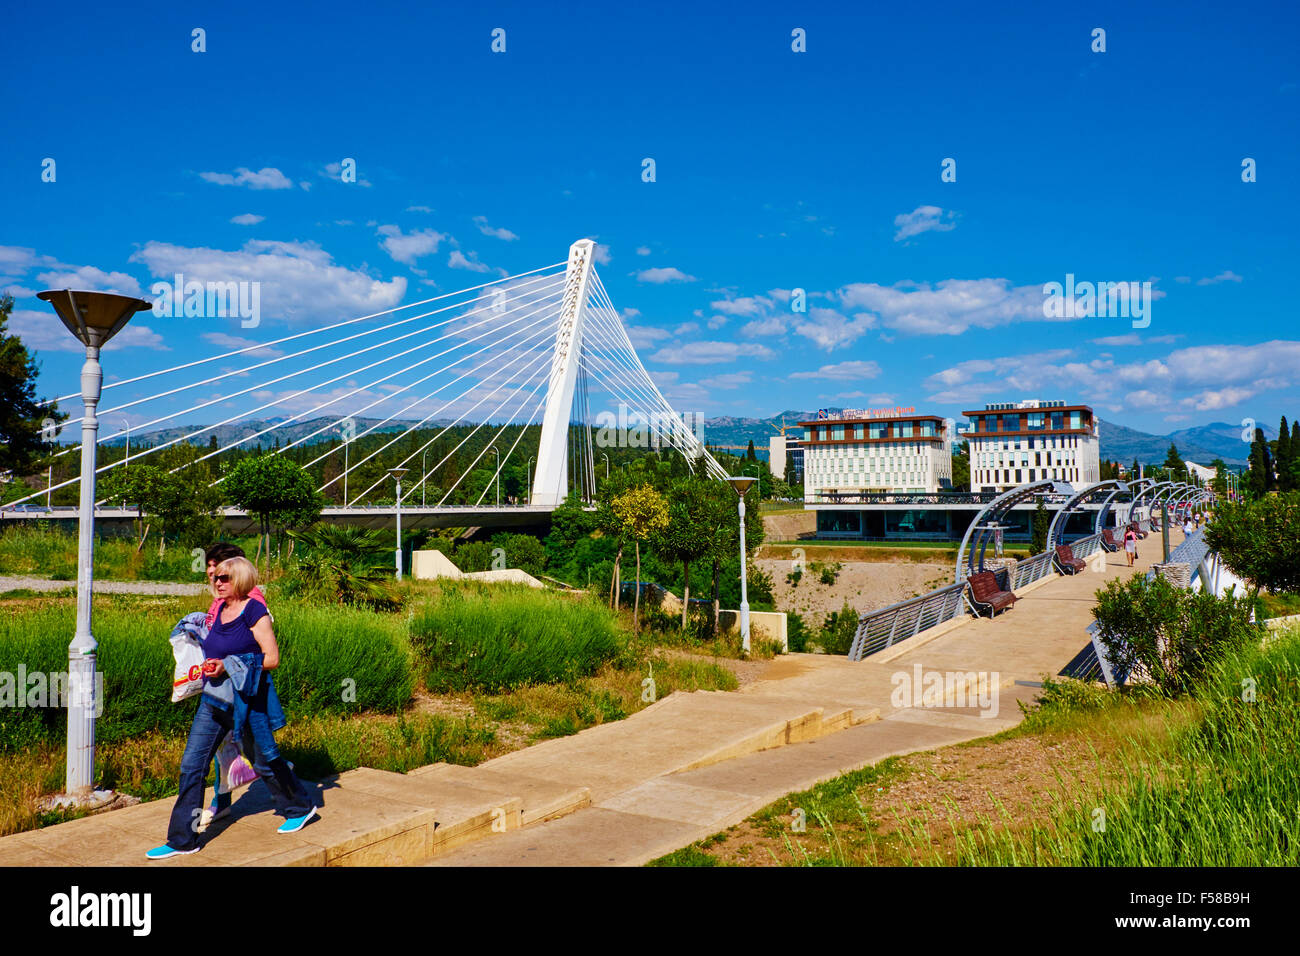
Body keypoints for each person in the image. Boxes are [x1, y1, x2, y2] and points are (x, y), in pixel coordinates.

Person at [148, 557, 316, 859]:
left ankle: (300, 806)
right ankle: (182, 839)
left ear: (239, 579)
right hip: (213, 701)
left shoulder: (254, 611)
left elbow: (272, 658)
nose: (217, 582)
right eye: (215, 578)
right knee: (191, 766)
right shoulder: (221, 610)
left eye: (224, 578)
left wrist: (228, 665)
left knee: (264, 761)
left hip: (246, 703)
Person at [200, 543, 270, 831]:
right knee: (227, 746)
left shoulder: (251, 599)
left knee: (249, 746)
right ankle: (223, 802)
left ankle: (288, 788)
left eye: (217, 566)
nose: (211, 572)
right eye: (209, 566)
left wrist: (230, 664)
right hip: (220, 683)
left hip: (241, 686)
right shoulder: (220, 597)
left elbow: (262, 647)